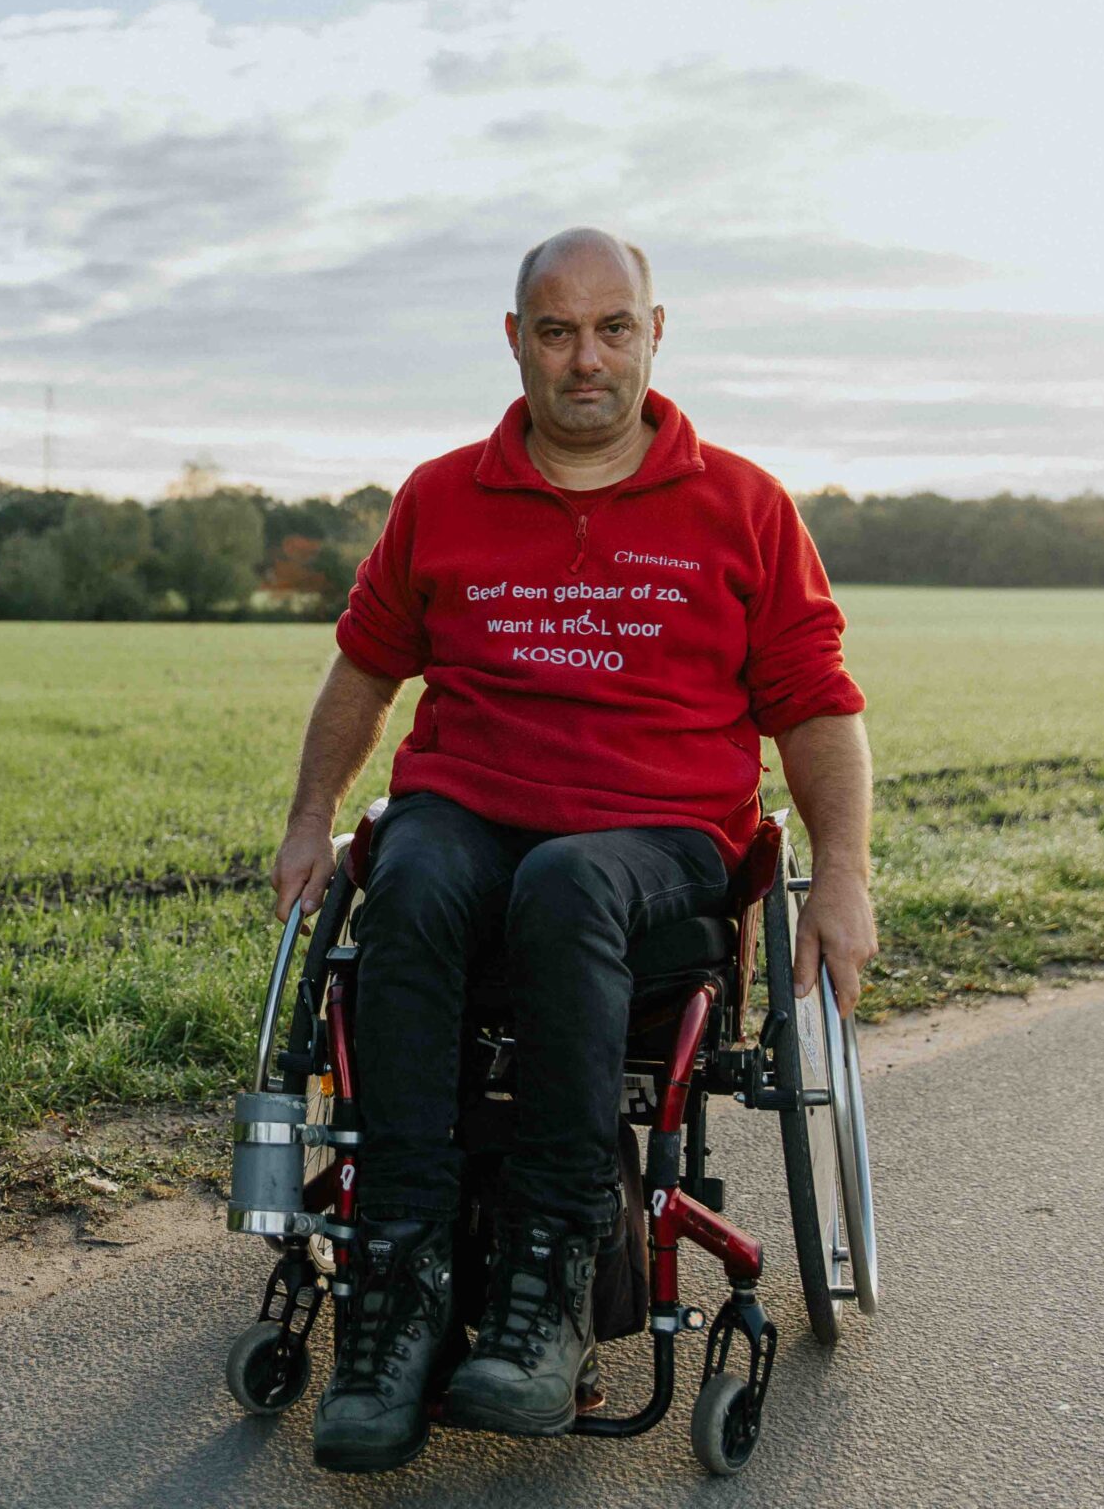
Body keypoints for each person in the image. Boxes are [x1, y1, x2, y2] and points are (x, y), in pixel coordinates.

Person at [270, 228, 877, 1473]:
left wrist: (846, 874)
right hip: (468, 809)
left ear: (657, 334)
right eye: (556, 330)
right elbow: (367, 667)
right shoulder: (442, 495)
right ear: (516, 343)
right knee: (419, 874)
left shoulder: (745, 505)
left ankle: (546, 1298)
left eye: (612, 328)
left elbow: (817, 704)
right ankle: (399, 1286)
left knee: (565, 880)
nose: (584, 357)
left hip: (655, 837)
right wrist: (305, 819)